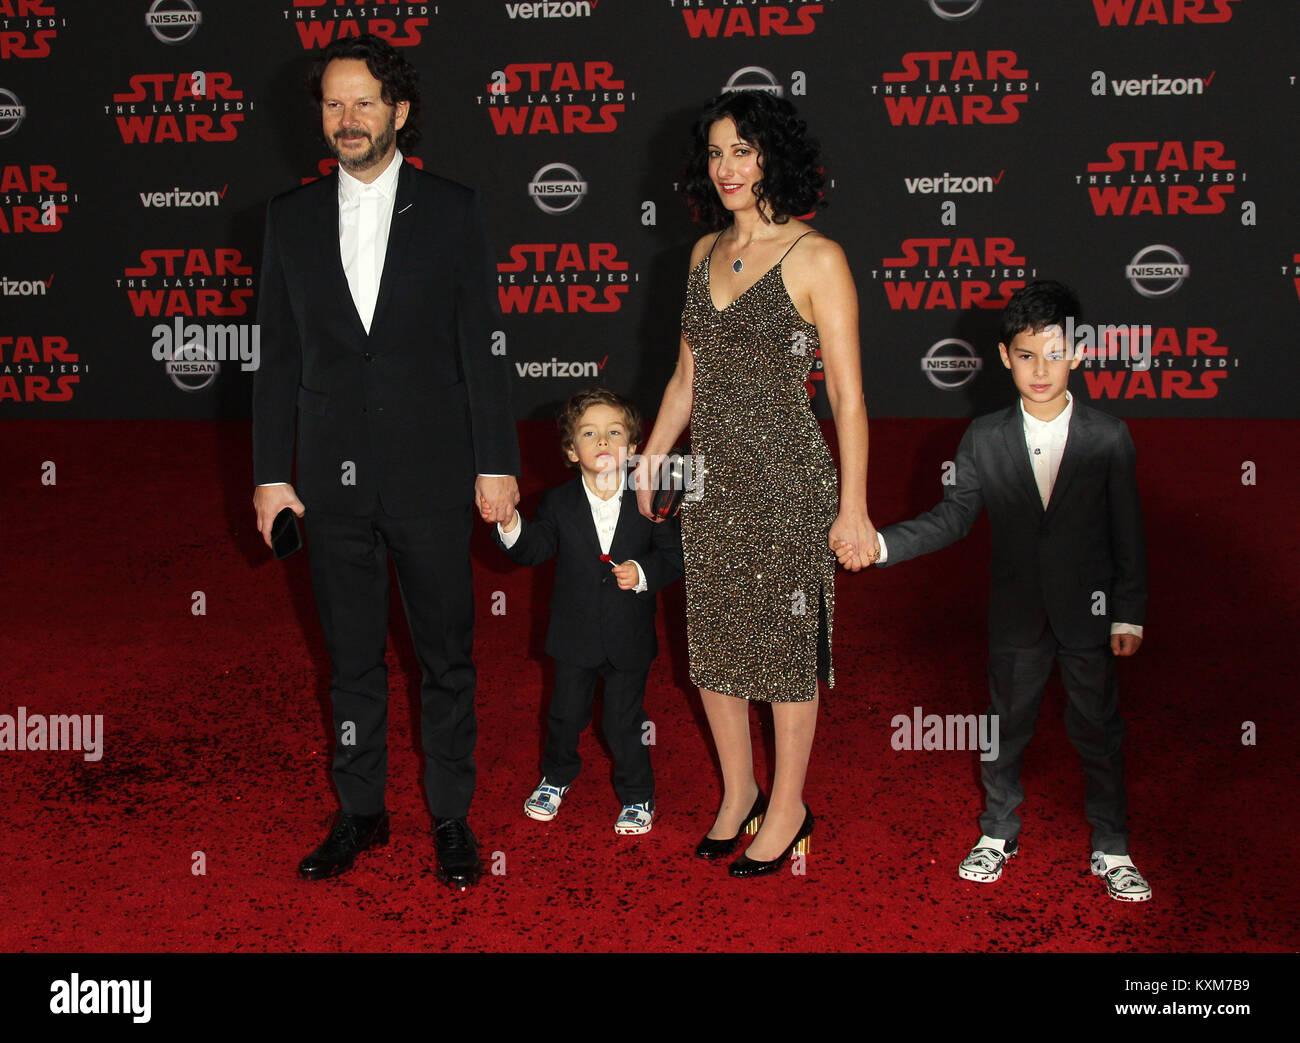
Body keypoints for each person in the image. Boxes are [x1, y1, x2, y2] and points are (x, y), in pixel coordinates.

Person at [251, 35, 519, 889]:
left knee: (445, 656)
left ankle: (450, 815)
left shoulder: (453, 208)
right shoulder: (287, 218)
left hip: (433, 476)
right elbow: (278, 358)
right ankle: (360, 811)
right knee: (351, 658)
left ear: (399, 111)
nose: (348, 119)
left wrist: (497, 460)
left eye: (365, 101)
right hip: (329, 482)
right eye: (334, 103)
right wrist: (269, 471)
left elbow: (484, 348)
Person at [636, 91, 875, 878]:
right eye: (715, 152)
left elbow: (846, 397)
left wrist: (853, 506)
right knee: (714, 648)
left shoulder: (817, 257)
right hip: (711, 487)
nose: (728, 167)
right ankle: (737, 792)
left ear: (773, 156)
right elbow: (683, 380)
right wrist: (652, 457)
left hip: (788, 485)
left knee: (780, 655)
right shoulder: (702, 254)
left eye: (742, 150)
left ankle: (789, 807)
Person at [873, 281, 1151, 902]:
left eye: (1056, 353)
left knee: (1098, 729)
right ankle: (998, 831)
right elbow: (952, 519)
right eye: (1027, 355)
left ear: (1079, 353)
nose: (1042, 369)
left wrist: (1128, 613)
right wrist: (883, 545)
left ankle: (1113, 846)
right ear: (1005, 358)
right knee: (1005, 726)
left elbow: (1128, 532)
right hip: (1018, 615)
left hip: (1090, 614)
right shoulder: (983, 438)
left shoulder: (1109, 436)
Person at [493, 389, 684, 835]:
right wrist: (509, 523)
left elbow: (674, 558)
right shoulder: (557, 503)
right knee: (564, 714)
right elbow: (534, 549)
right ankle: (556, 777)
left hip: (628, 636)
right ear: (570, 450)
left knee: (625, 721)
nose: (602, 441)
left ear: (635, 448)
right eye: (589, 433)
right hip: (573, 636)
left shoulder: (651, 499)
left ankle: (638, 795)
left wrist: (639, 572)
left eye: (614, 432)